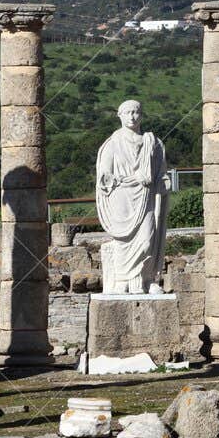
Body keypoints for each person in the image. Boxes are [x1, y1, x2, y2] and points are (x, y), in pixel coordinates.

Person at [93, 99, 170, 294]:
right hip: (122, 197)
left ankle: (147, 279)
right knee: (123, 241)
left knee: (146, 241)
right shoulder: (112, 144)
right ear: (120, 116)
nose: (132, 116)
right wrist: (118, 179)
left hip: (146, 196)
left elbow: (162, 172)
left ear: (141, 115)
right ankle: (122, 280)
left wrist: (163, 181)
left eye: (135, 112)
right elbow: (104, 175)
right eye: (127, 113)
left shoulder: (153, 143)